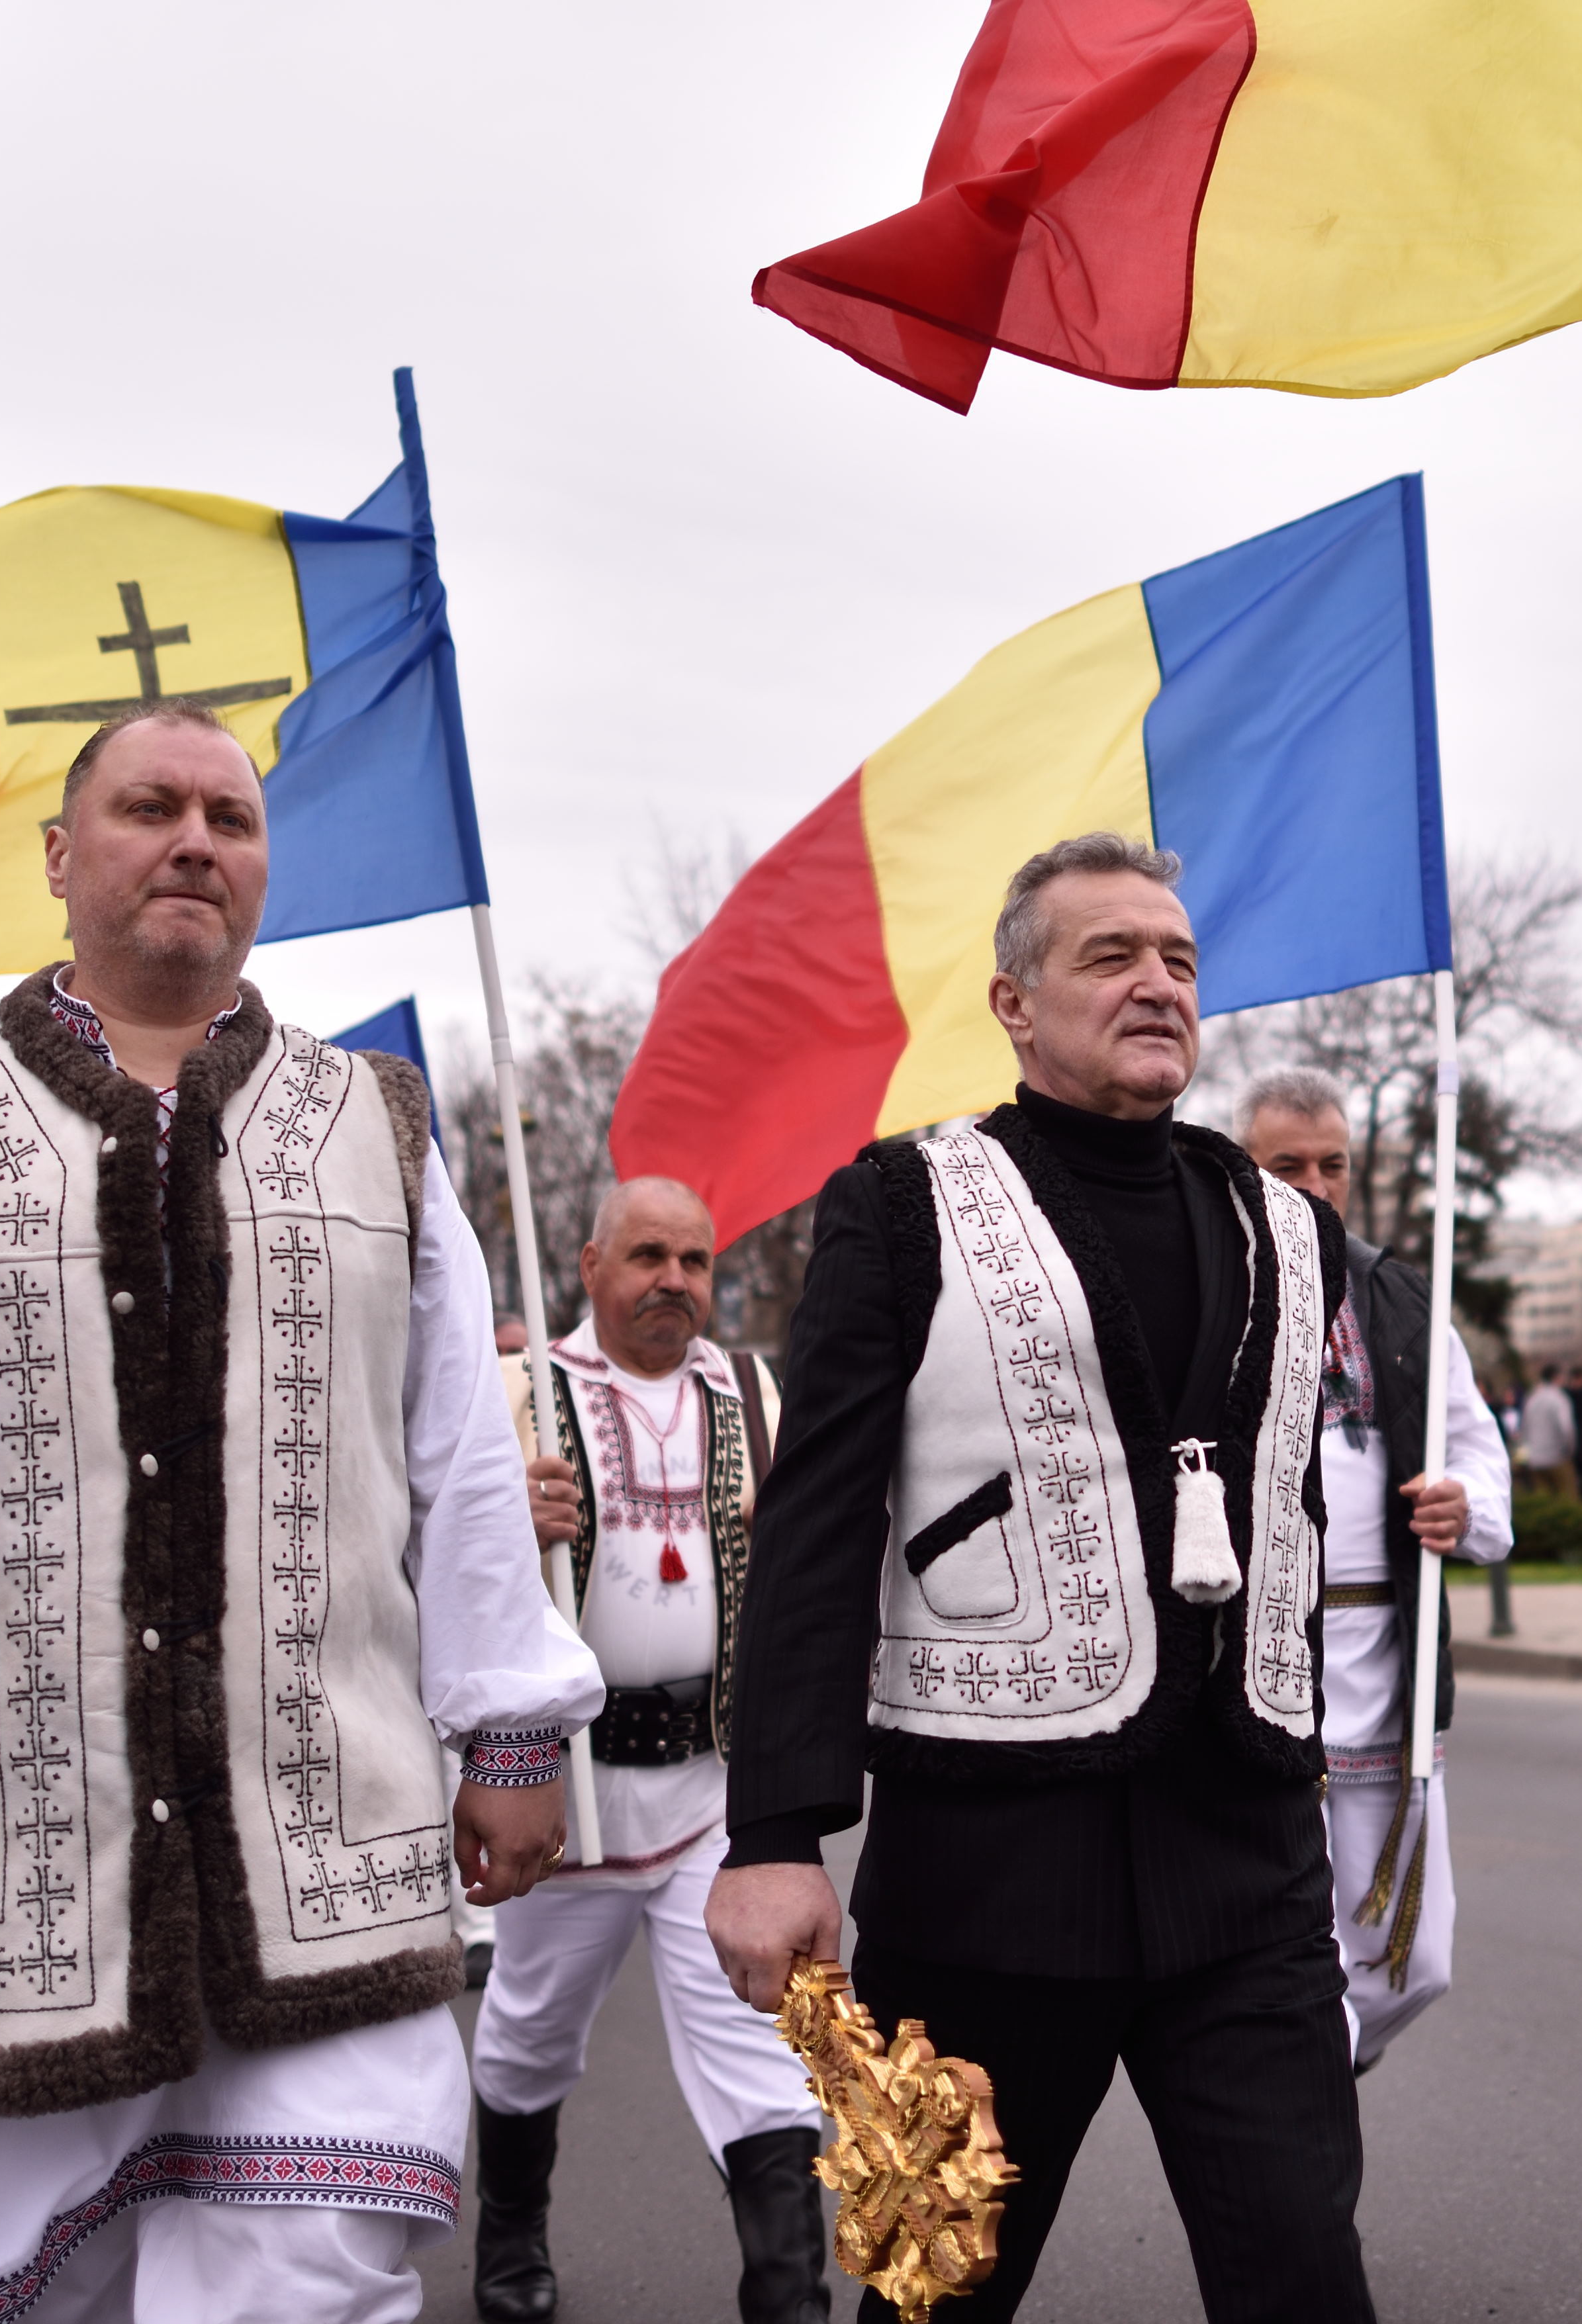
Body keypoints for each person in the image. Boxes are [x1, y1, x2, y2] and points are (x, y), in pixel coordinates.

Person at [0, 697, 600, 2323]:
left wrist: (509, 1726)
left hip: (316, 1861)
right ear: (62, 855)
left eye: (232, 817)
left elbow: (462, 1456)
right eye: (153, 806)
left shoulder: (379, 1122)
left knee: (314, 2281)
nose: (197, 841)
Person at [705, 834, 1370, 2324]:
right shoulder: (901, 1202)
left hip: (1246, 1869)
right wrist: (772, 1831)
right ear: (1013, 1000)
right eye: (1109, 956)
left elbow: (1302, 1499)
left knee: (1306, 2281)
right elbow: (813, 1525)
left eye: (1178, 959)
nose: (1156, 983)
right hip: (984, 1879)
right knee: (933, 2295)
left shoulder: (1293, 1231)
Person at [466, 1175, 827, 2324]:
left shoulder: (756, 1391)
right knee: (528, 2035)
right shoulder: (514, 1393)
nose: (675, 1280)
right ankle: (511, 2237)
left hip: (709, 1796)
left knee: (761, 2049)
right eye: (649, 1255)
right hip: (566, 1791)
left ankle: (791, 2299)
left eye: (696, 1260)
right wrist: (496, 1524)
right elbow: (412, 1560)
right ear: (589, 1267)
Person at [1239, 1069, 1514, 2071]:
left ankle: (1302, 2080)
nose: (1314, 1185)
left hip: (1390, 1674)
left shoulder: (1406, 1301)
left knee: (1416, 1958)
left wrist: (1465, 1506)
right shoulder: (1211, 1296)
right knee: (1290, 1953)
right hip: (1261, 1675)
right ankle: (1294, 2141)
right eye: (1287, 1166)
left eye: (1332, 1166)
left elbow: (1478, 1453)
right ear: (1246, 1169)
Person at [1511, 1366, 1575, 1501]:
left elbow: (1524, 1429)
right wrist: (1570, 1450)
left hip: (1535, 1459)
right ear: (1557, 1378)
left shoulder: (1532, 1398)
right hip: (1557, 1457)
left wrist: (1522, 1457)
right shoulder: (1559, 1398)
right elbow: (1566, 1427)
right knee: (1568, 1499)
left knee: (1543, 1500)